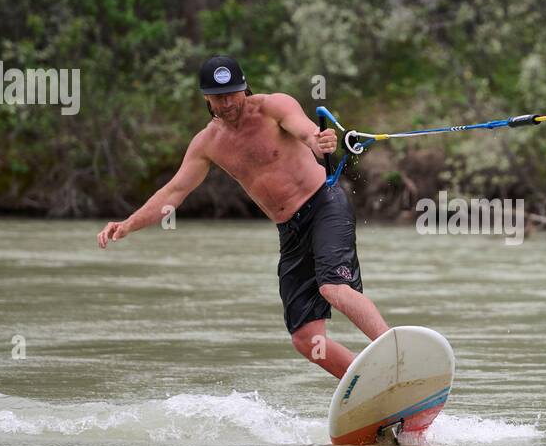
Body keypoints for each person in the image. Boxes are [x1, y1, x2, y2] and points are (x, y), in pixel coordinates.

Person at [97, 55, 388, 378]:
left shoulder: (274, 107)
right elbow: (173, 192)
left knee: (333, 288)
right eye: (218, 98)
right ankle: (371, 385)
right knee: (305, 339)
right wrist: (127, 225)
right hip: (289, 229)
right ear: (206, 98)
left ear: (244, 87)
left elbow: (308, 134)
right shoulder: (208, 143)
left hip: (324, 204)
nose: (227, 103)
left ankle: (396, 353)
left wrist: (322, 142)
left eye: (233, 94)